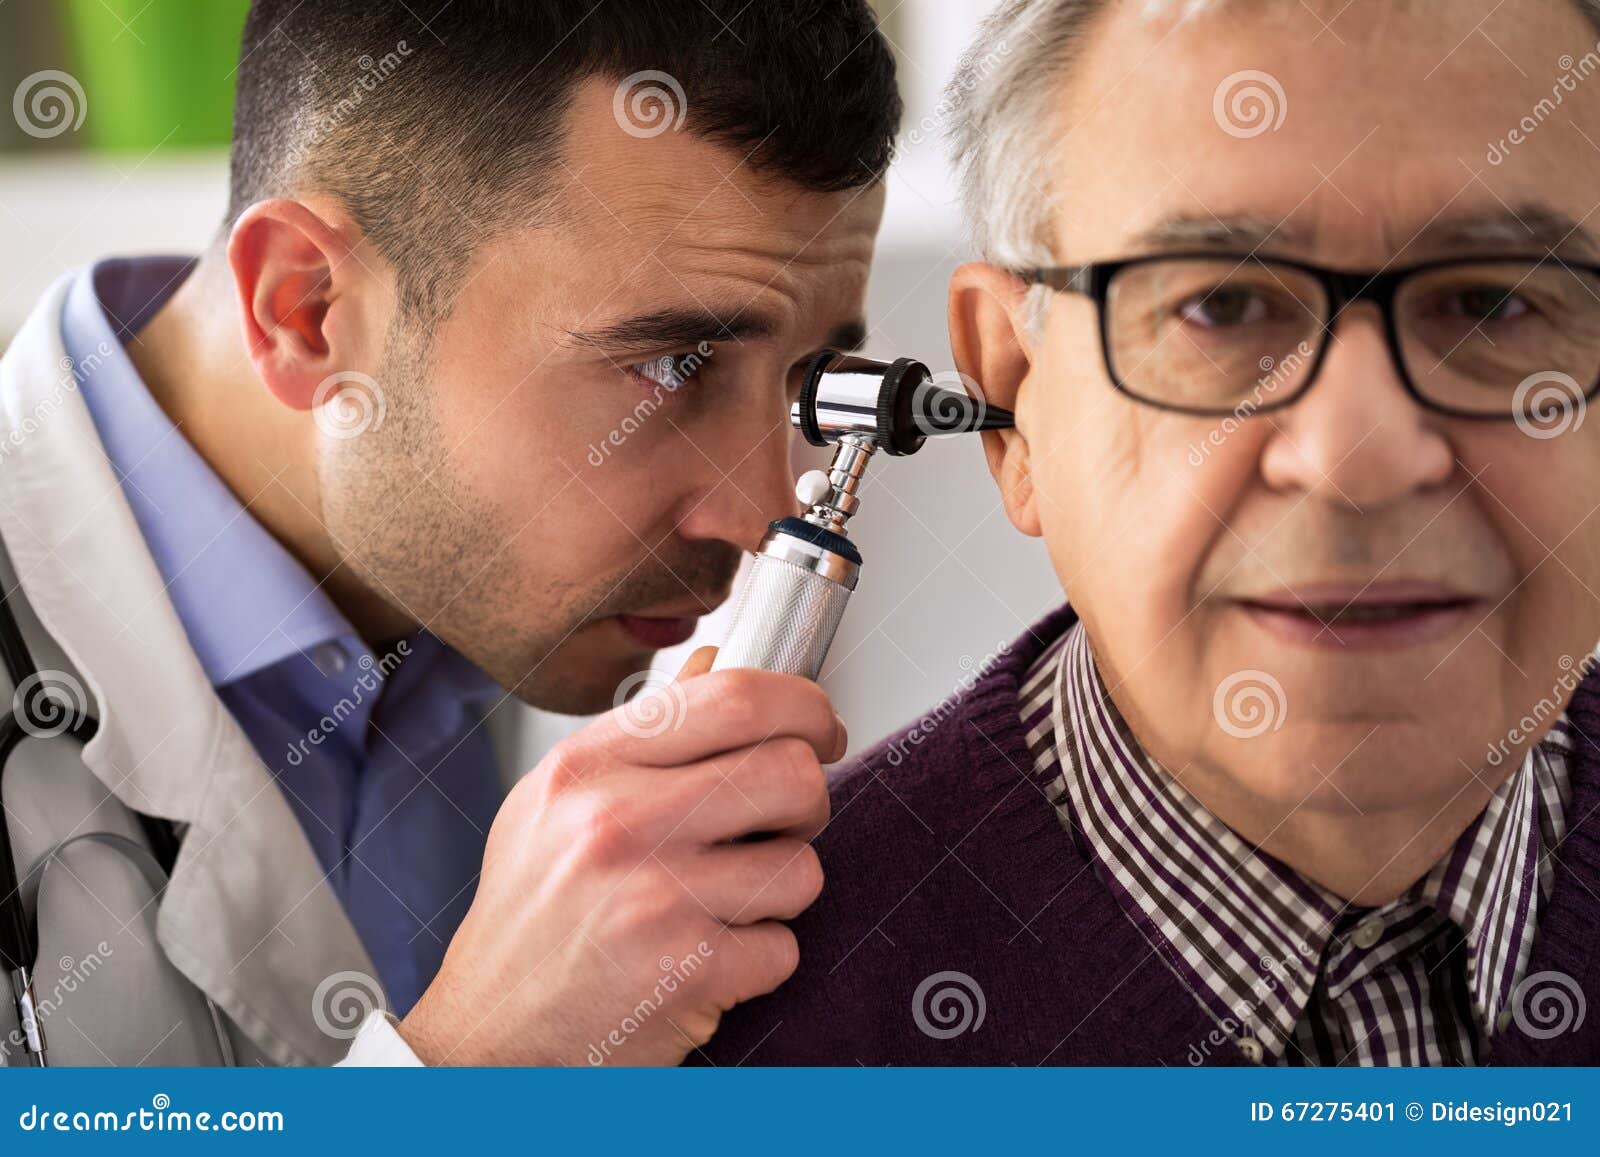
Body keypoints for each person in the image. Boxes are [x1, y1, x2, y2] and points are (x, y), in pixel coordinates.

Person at [699, 0, 1600, 1066]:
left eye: (1496, 303)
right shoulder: (699, 1043)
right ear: (1013, 399)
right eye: (1221, 306)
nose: (1356, 462)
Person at [0, 0, 899, 1066]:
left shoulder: (534, 615)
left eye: (804, 384)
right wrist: (478, 1062)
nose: (758, 513)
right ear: (307, 309)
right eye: (672, 368)